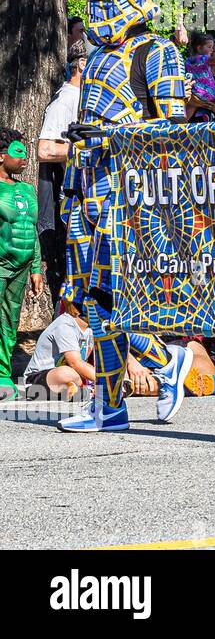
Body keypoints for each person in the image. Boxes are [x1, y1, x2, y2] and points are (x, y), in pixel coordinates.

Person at [59, 0, 194, 432]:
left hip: (128, 191)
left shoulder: (157, 52)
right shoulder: (92, 59)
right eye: (93, 3)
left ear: (133, 0)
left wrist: (117, 132)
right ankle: (113, 406)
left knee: (115, 295)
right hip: (84, 186)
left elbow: (175, 130)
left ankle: (161, 362)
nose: (99, 12)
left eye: (107, 1)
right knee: (89, 301)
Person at [35, 35, 86, 310]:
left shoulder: (87, 97)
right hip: (72, 202)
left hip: (92, 198)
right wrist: (85, 149)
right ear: (81, 63)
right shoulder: (65, 99)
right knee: (75, 273)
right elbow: (44, 150)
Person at [0, 130, 43, 400]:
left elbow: (33, 230)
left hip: (22, 266)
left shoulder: (27, 189)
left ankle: (3, 375)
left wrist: (37, 269)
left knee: (9, 321)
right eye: (18, 153)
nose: (25, 158)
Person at [23, 296, 94, 400]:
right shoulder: (65, 325)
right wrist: (104, 382)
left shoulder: (90, 329)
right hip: (37, 380)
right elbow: (76, 363)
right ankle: (83, 390)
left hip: (74, 377)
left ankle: (78, 391)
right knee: (66, 373)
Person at [183, 29, 215, 122]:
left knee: (191, 108)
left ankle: (181, 123)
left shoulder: (188, 60)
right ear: (199, 48)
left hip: (195, 90)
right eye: (209, 47)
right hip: (207, 90)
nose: (211, 50)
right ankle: (210, 114)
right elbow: (213, 60)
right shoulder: (203, 58)